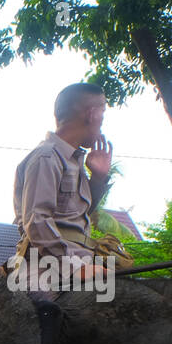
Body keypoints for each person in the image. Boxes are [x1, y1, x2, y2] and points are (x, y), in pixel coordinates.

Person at [10, 82, 117, 291]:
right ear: (92, 114)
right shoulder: (47, 157)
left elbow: (75, 215)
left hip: (79, 259)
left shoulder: (74, 161)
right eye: (102, 116)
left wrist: (97, 178)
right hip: (46, 268)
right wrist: (74, 268)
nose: (102, 124)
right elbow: (37, 222)